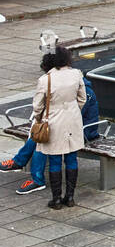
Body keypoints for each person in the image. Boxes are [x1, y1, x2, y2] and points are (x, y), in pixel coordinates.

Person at [3, 71, 98, 195]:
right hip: (67, 127)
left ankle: (31, 174)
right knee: (39, 136)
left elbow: (74, 114)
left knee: (42, 140)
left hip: (82, 131)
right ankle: (21, 164)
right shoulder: (71, 87)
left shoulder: (85, 91)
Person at [30, 44, 86, 210]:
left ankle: (56, 199)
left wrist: (40, 119)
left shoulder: (45, 80)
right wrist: (74, 111)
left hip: (53, 121)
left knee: (54, 160)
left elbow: (37, 106)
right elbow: (82, 98)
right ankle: (70, 197)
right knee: (71, 158)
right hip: (73, 120)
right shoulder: (76, 74)